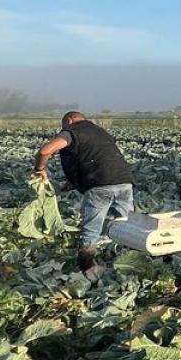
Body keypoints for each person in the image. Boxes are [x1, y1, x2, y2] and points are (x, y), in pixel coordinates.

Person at [33, 111, 134, 272]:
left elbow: (45, 151)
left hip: (100, 185)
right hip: (124, 182)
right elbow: (96, 157)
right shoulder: (99, 132)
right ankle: (130, 262)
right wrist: (74, 181)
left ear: (69, 121)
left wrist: (39, 169)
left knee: (92, 227)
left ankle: (87, 267)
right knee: (127, 224)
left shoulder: (72, 131)